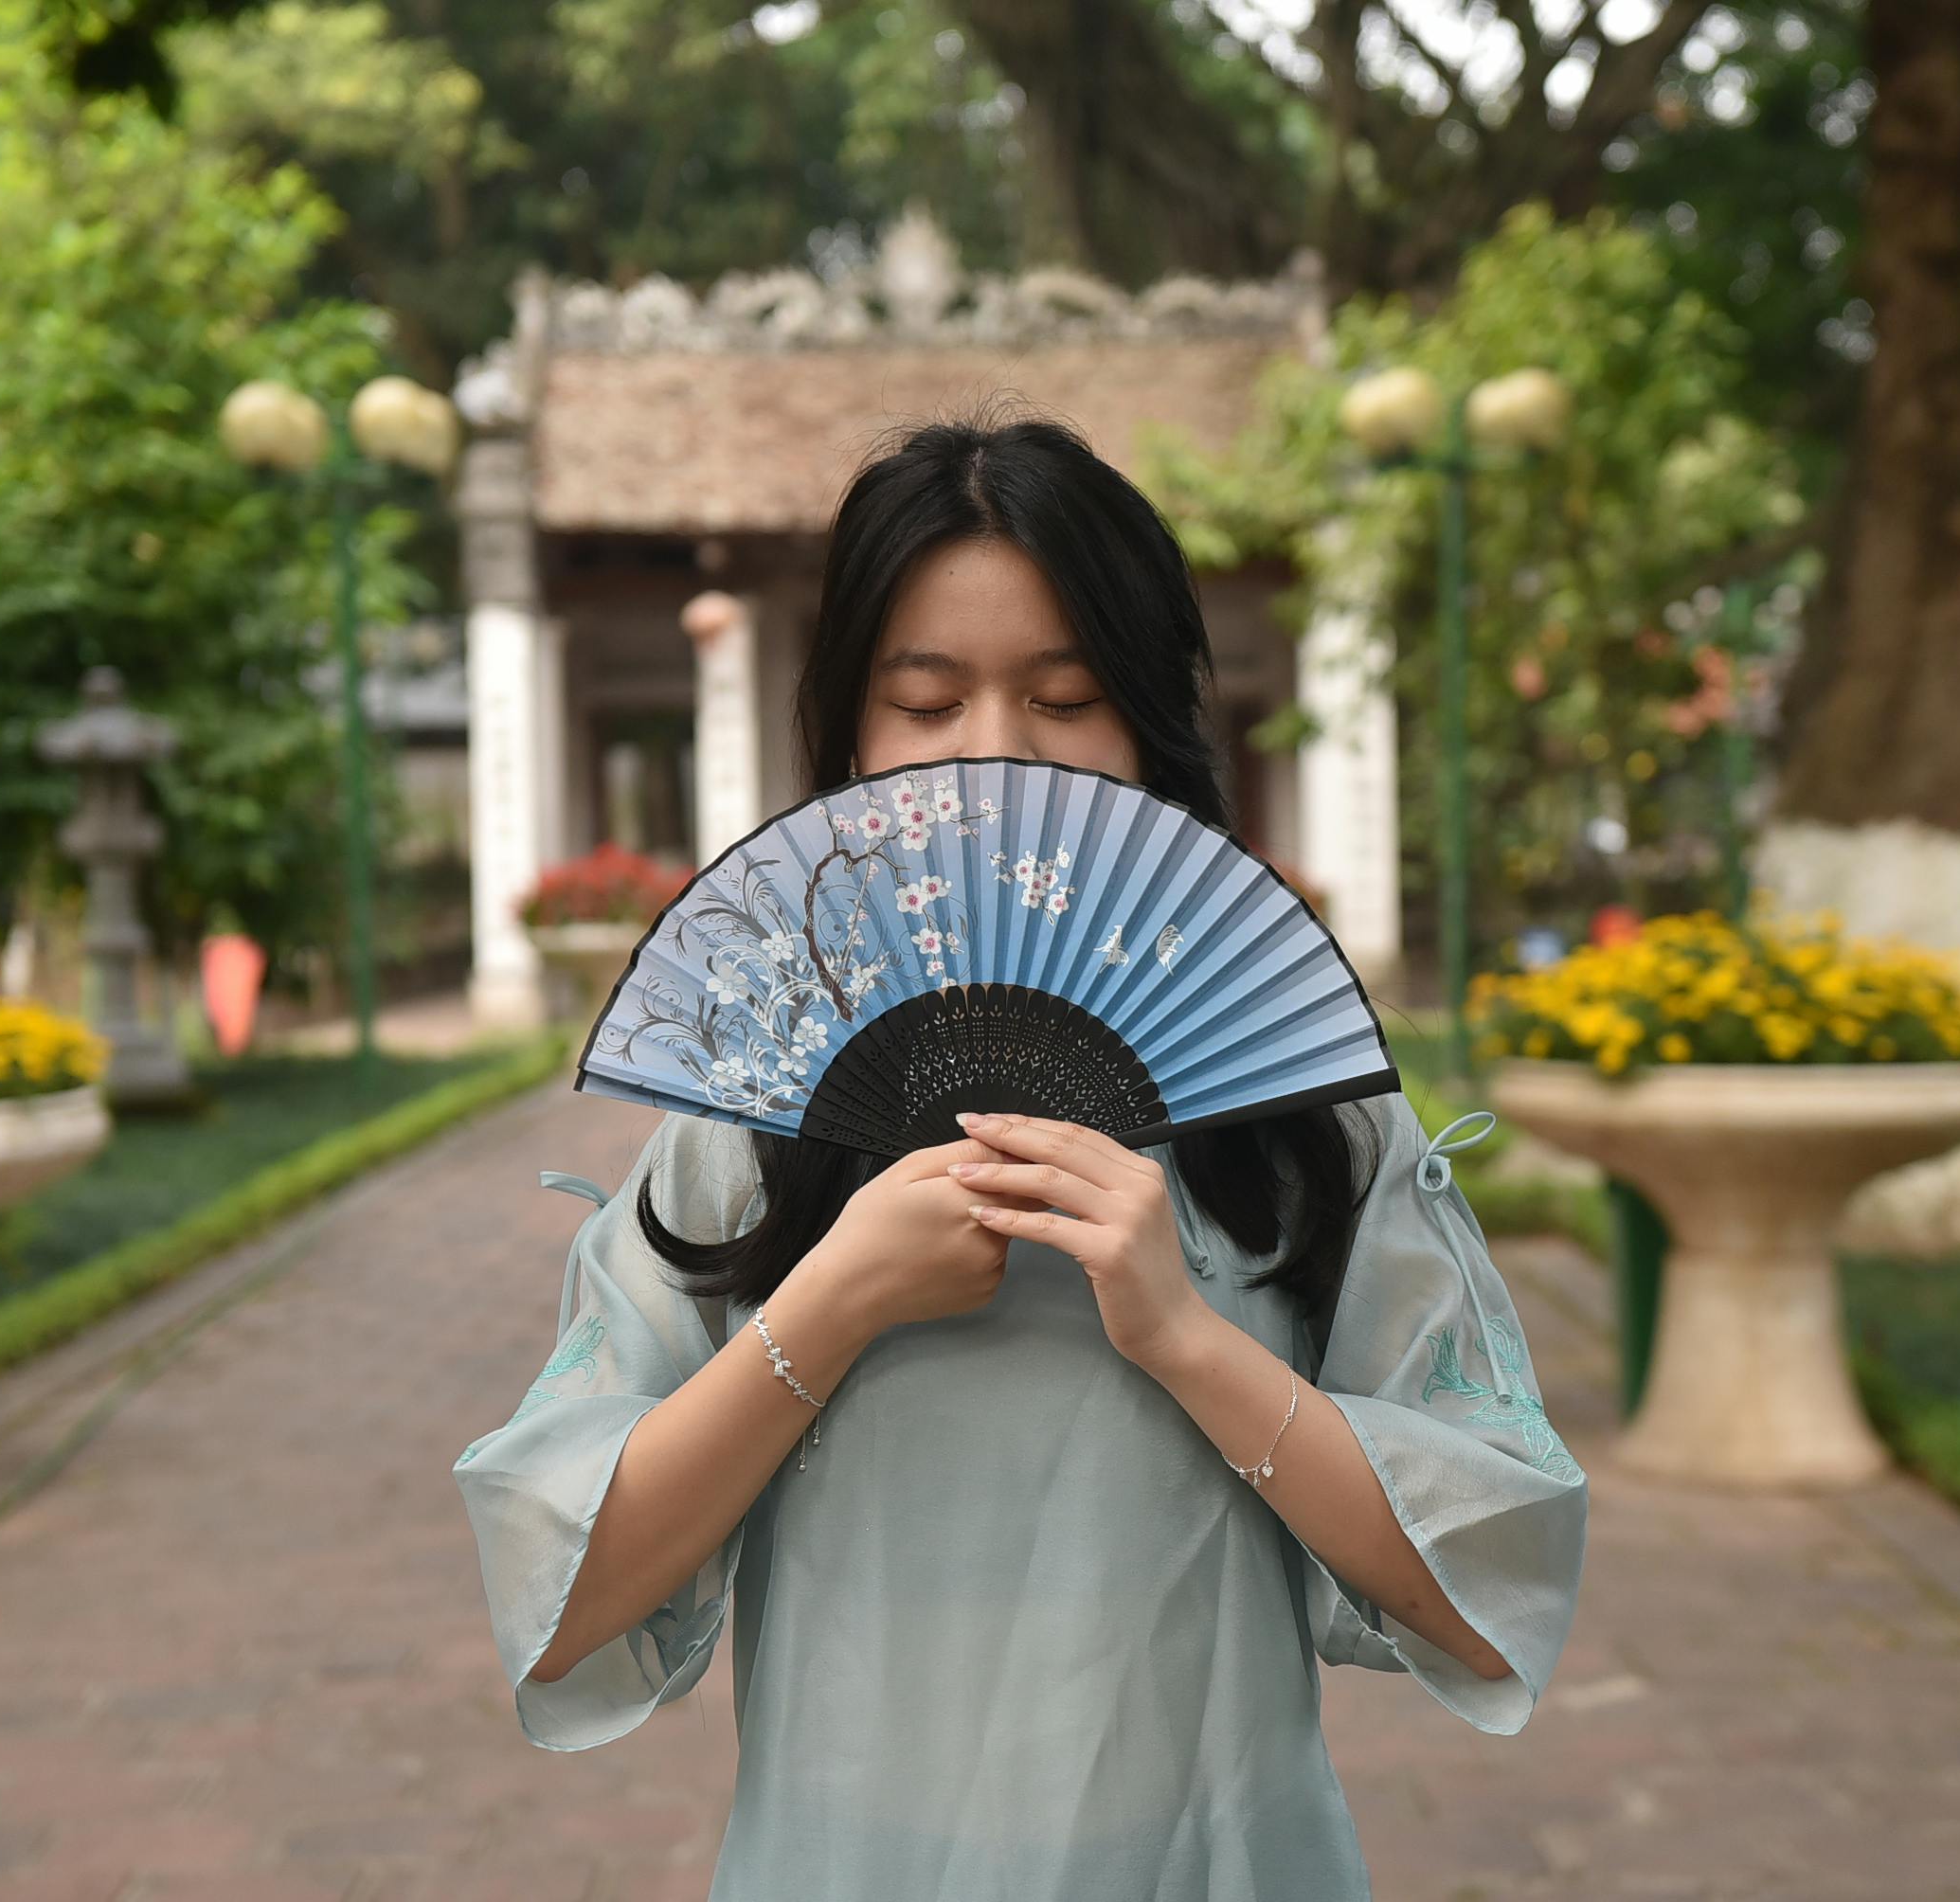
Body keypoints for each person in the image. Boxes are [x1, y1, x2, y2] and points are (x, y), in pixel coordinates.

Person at [451, 407, 1590, 1899]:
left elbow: (1484, 1585)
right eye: (925, 702)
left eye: (1065, 696)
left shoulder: (1303, 1117)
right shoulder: (754, 1122)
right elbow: (573, 1593)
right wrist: (833, 1300)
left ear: (1157, 725)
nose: (993, 754)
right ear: (849, 736)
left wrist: (1186, 1337)